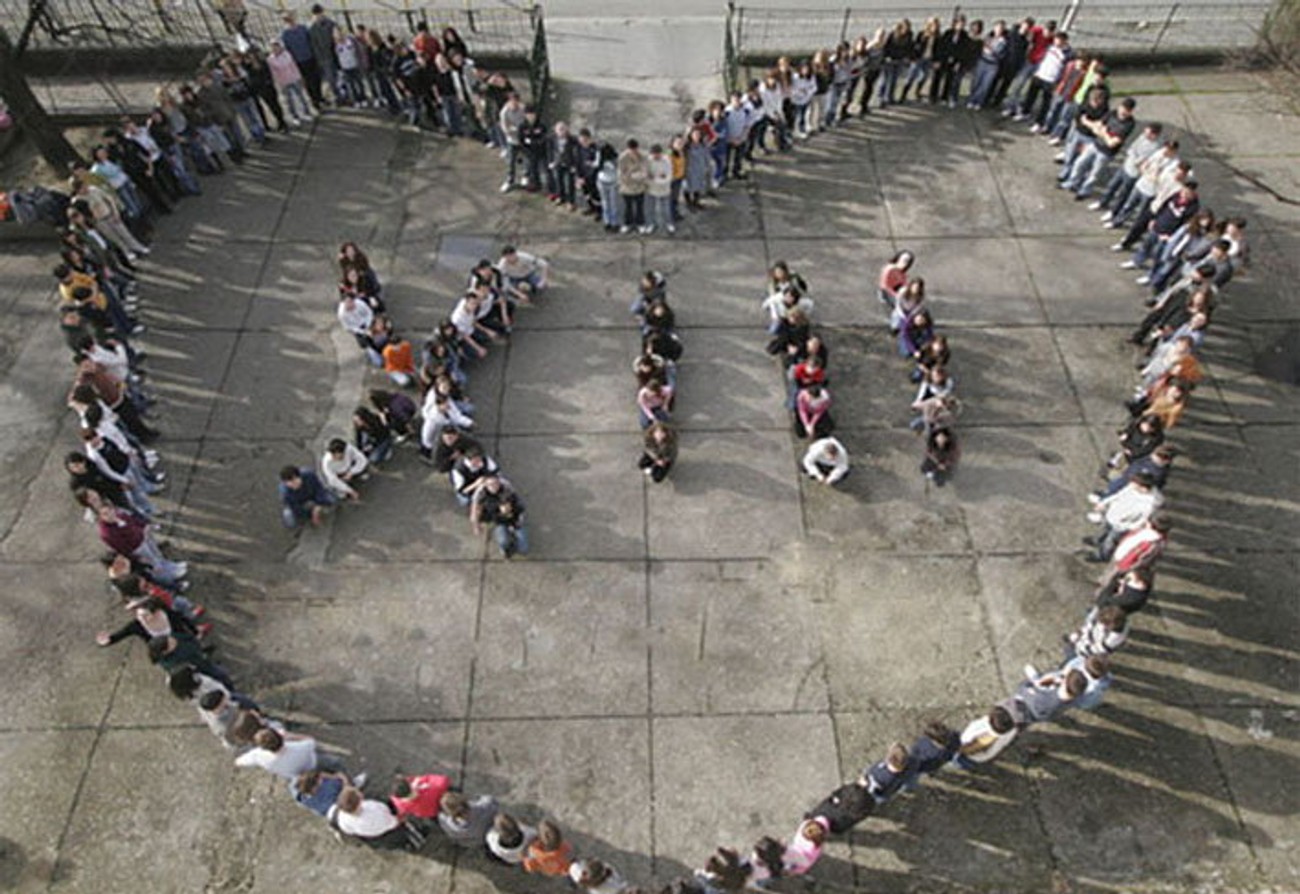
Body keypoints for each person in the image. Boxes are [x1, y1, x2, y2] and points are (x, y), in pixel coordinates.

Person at [471, 475, 529, 558]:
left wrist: (512, 511)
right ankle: (505, 549)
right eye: (490, 484)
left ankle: (515, 543)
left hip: (514, 519)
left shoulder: (507, 491)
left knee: (524, 548)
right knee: (503, 541)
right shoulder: (483, 497)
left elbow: (520, 507)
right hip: (499, 521)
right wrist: (476, 526)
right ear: (486, 486)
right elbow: (476, 513)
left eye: (496, 483)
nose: (494, 486)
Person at [234, 727, 321, 779]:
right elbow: (311, 740)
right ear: (280, 736)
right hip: (312, 763)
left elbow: (239, 762)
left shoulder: (259, 756)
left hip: (295, 775)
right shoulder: (301, 747)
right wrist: (291, 735)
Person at [955, 705, 1020, 768]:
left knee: (958, 760)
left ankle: (958, 764)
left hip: (970, 756)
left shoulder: (987, 738)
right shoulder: (1012, 729)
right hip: (983, 752)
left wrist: (956, 749)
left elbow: (968, 749)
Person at [618, 139, 650, 235]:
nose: (633, 152)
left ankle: (640, 223)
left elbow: (645, 172)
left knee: (640, 207)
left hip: (639, 187)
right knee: (628, 207)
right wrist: (633, 175)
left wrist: (632, 175)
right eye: (631, 150)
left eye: (635, 150)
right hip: (627, 188)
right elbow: (621, 175)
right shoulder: (622, 158)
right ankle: (627, 224)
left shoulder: (643, 156)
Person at [646, 143, 674, 234]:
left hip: (664, 189)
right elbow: (647, 176)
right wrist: (658, 177)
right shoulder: (648, 161)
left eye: (657, 154)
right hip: (651, 189)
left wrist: (654, 178)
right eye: (653, 154)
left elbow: (668, 177)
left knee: (666, 209)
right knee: (650, 209)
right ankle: (651, 224)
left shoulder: (667, 161)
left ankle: (669, 224)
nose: (655, 156)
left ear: (661, 153)